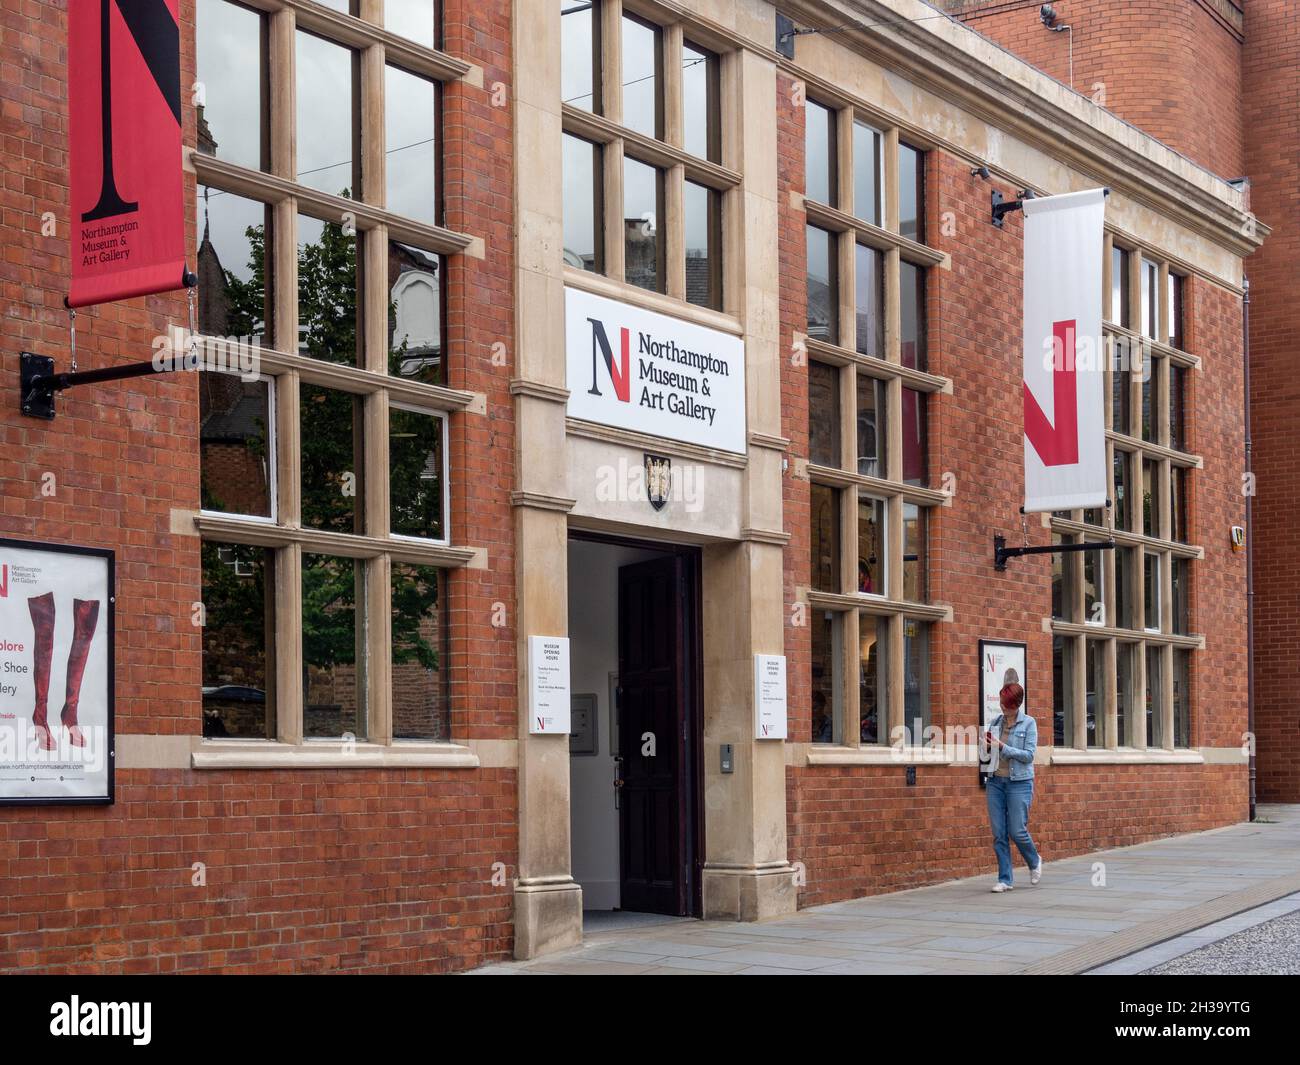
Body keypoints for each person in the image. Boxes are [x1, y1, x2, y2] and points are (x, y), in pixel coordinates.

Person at [982, 682, 1042, 892]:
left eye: (1007, 705)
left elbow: (1029, 756)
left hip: (1020, 783)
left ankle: (1034, 861)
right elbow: (987, 754)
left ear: (1017, 704)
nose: (1003, 708)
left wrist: (1002, 746)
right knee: (999, 833)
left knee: (1017, 830)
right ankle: (1005, 879)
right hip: (996, 783)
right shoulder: (996, 723)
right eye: (1001, 703)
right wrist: (986, 747)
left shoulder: (1029, 724)